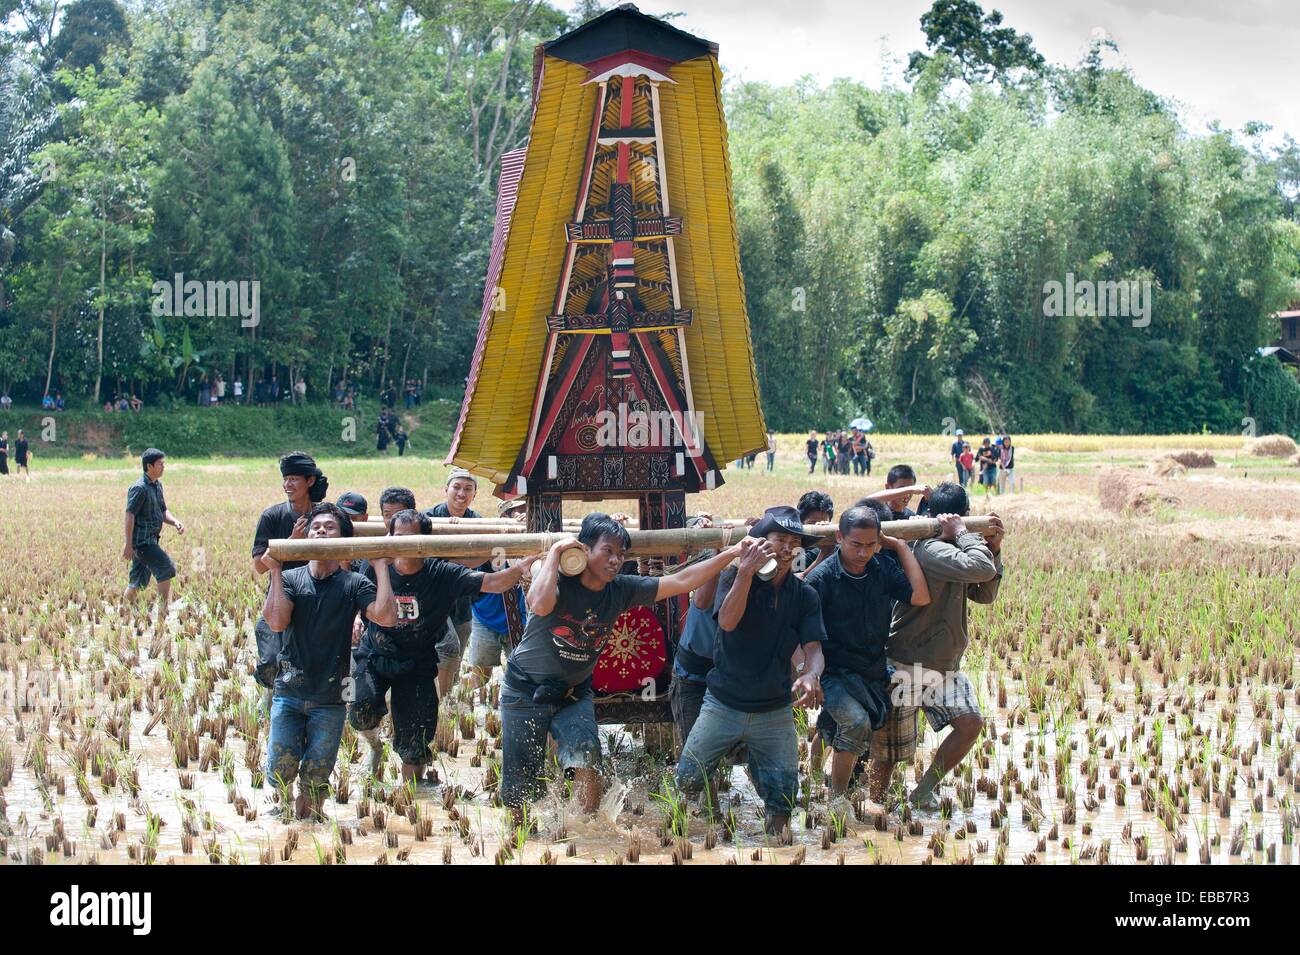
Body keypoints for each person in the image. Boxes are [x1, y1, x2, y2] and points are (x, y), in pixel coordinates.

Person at [501, 513, 744, 823]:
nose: (615, 560)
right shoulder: (557, 580)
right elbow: (540, 604)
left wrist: (731, 554)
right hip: (524, 689)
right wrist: (554, 554)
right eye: (608, 551)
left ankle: (586, 831)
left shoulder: (622, 590)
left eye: (621, 553)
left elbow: (682, 581)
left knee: (588, 759)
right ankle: (521, 835)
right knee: (520, 781)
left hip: (573, 694)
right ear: (584, 550)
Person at [350, 509, 536, 785]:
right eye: (396, 537)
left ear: (425, 543)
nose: (401, 544)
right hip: (376, 653)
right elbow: (361, 599)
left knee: (416, 744)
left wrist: (521, 568)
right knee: (360, 712)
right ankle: (375, 747)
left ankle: (411, 792)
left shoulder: (442, 572)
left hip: (418, 660)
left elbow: (493, 583)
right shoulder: (375, 565)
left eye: (409, 539)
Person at [675, 506, 826, 834]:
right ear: (759, 542)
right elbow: (728, 622)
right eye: (779, 539)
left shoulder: (805, 595)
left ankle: (777, 844)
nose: (786, 548)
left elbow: (814, 648)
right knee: (687, 781)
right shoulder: (732, 577)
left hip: (774, 709)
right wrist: (745, 571)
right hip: (723, 703)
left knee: (783, 799)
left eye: (793, 542)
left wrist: (810, 673)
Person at [867, 483, 1004, 810]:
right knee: (890, 751)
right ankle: (874, 807)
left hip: (943, 663)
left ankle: (922, 791)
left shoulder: (955, 550)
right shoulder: (930, 550)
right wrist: (966, 535)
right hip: (908, 663)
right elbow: (981, 568)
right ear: (962, 516)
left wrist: (994, 549)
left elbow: (984, 593)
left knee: (970, 724)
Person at [261, 503, 396, 819]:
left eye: (330, 527)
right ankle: (283, 814)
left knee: (317, 773)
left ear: (344, 540)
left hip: (333, 694)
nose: (321, 529)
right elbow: (277, 622)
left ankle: (309, 820)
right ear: (307, 536)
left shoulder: (354, 583)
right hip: (289, 688)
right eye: (316, 526)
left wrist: (380, 567)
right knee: (280, 767)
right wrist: (275, 571)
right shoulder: (291, 578)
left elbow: (386, 617)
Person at [806, 507, 929, 804]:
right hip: (833, 672)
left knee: (833, 724)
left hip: (871, 669)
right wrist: (807, 673)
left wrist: (900, 547)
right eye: (856, 544)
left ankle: (815, 779)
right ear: (839, 537)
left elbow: (920, 596)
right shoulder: (821, 580)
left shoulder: (882, 569)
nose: (863, 553)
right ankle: (837, 801)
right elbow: (801, 633)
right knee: (856, 722)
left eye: (871, 545)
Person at [251, 452, 331, 691]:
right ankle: (270, 697)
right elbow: (259, 566)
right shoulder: (272, 516)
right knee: (271, 661)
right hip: (282, 596)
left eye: (294, 479)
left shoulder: (325, 517)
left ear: (310, 481)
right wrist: (291, 542)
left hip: (318, 599)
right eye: (286, 479)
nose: (288, 484)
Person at [424, 468, 488, 697]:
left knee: (458, 649)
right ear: (446, 489)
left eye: (468, 489)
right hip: (432, 595)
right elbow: (424, 557)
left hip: (462, 597)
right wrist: (461, 562)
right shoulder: (428, 517)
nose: (462, 493)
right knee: (447, 647)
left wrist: (453, 561)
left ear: (474, 494)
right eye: (457, 487)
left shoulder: (478, 522)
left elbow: (486, 554)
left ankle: (447, 697)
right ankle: (438, 700)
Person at [668, 514, 722, 752]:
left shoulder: (749, 571)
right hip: (693, 676)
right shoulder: (708, 570)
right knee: (696, 753)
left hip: (730, 676)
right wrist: (718, 554)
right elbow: (701, 601)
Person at [465, 497, 529, 686]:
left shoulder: (538, 536)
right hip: (486, 615)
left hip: (520, 618)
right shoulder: (490, 539)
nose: (523, 515)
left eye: (527, 510)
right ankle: (462, 693)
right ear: (504, 517)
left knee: (522, 673)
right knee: (480, 676)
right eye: (519, 511)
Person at [123, 448, 185, 621]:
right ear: (149, 466)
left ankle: (123, 611)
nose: (163, 467)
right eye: (160, 464)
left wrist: (175, 522)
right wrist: (128, 544)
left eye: (163, 464)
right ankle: (163, 612)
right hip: (142, 542)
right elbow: (129, 514)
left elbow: (163, 510)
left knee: (138, 582)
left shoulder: (157, 485)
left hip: (151, 540)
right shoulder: (139, 488)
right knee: (166, 568)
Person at [796, 490, 835, 575]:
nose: (818, 528)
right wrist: (824, 554)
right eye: (812, 524)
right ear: (800, 522)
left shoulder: (838, 546)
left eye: (824, 523)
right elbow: (797, 580)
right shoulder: (796, 548)